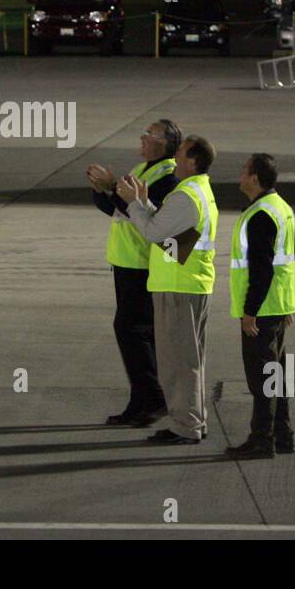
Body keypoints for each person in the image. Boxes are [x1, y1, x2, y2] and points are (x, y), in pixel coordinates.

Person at [117, 135, 219, 445]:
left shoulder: (185, 195)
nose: (175, 158)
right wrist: (146, 204)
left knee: (177, 362)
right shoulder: (198, 191)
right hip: (192, 282)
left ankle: (185, 426)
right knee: (190, 359)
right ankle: (193, 420)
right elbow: (173, 238)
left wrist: (134, 204)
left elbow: (152, 233)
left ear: (193, 161)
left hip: (177, 288)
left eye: (180, 153)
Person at [86, 120, 182, 426]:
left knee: (131, 330)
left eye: (150, 134)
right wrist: (102, 191)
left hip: (143, 264)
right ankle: (140, 401)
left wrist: (113, 187)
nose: (142, 137)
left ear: (165, 144)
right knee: (137, 332)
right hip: (126, 263)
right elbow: (119, 209)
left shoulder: (167, 175)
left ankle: (154, 398)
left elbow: (137, 209)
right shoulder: (143, 170)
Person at [228, 153, 295, 460]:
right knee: (276, 376)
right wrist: (287, 303)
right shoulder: (280, 207)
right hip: (278, 305)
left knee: (262, 379)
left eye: (244, 171)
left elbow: (262, 269)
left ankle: (262, 440)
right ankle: (283, 436)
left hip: (262, 310)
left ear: (255, 178)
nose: (240, 176)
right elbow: (294, 259)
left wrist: (249, 310)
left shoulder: (259, 214)